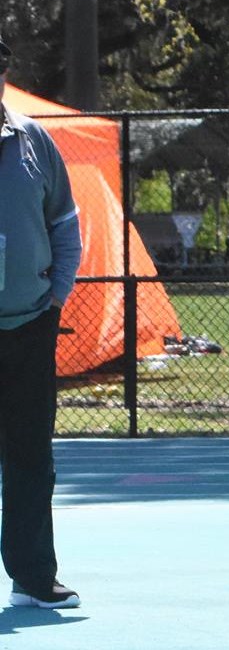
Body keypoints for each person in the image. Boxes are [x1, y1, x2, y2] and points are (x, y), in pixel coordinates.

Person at [0, 36, 83, 609]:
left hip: (29, 324)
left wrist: (55, 296)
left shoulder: (32, 140)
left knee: (31, 454)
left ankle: (32, 576)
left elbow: (65, 223)